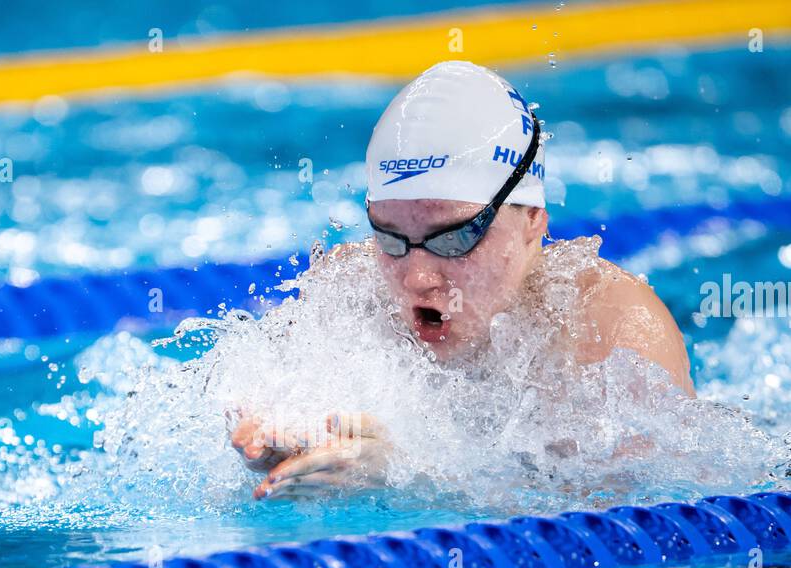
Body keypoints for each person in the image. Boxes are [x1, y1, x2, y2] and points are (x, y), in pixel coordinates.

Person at [230, 60, 694, 500]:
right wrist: (279, 438)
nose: (417, 278)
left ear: (533, 219)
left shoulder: (609, 330)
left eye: (453, 239)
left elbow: (640, 522)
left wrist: (405, 472)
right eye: (389, 239)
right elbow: (250, 391)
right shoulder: (350, 290)